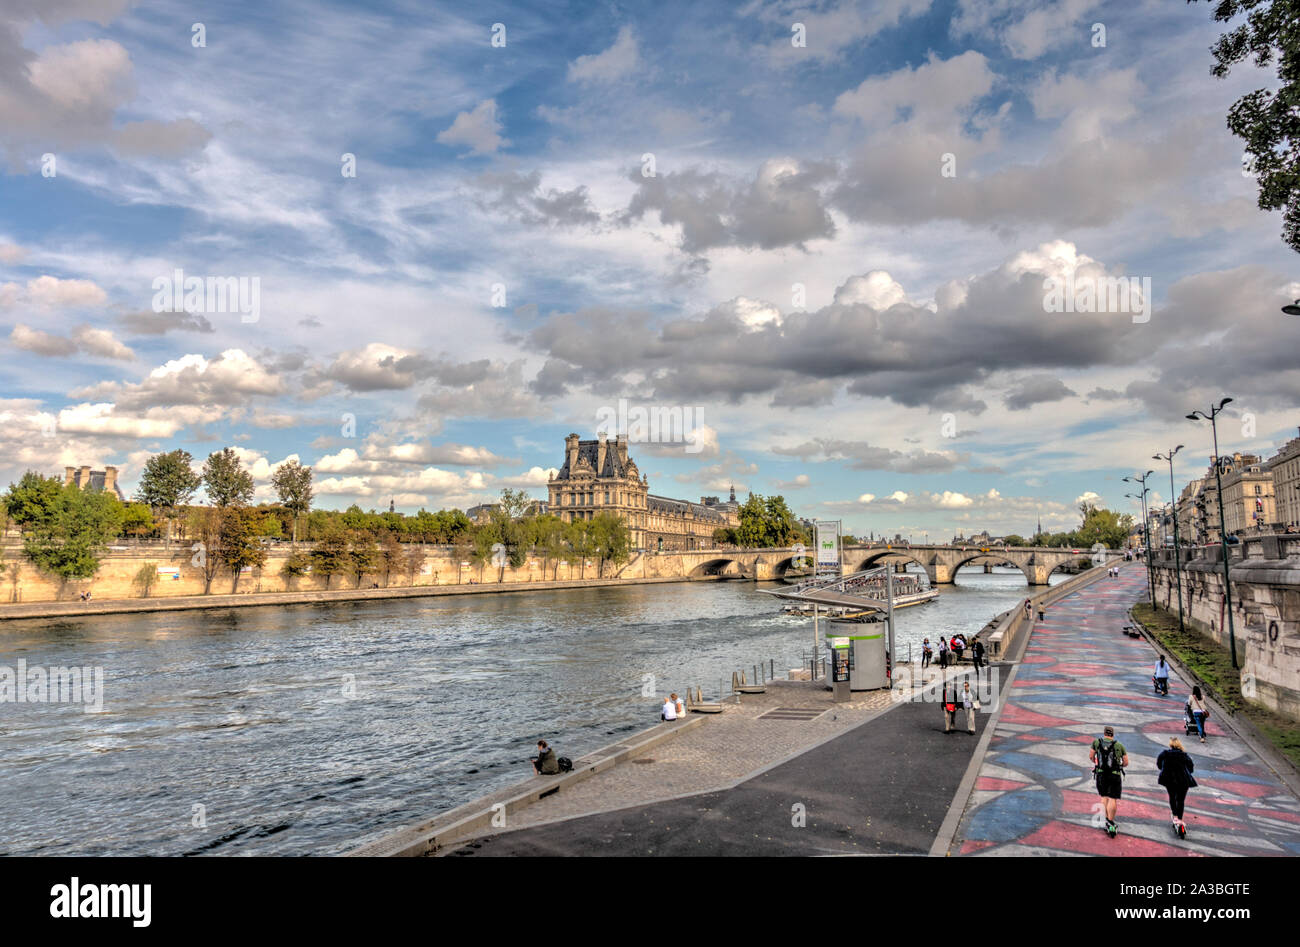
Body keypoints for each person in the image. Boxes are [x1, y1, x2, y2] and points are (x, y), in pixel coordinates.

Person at [1090, 725, 1129, 837]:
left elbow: (1091, 756)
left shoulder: (1096, 742)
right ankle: (1110, 821)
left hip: (1101, 774)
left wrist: (1097, 764)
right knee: (1112, 799)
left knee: (1104, 796)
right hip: (1114, 775)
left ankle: (1105, 818)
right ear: (1113, 734)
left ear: (1104, 734)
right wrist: (1119, 765)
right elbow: (1126, 762)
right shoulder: (1119, 745)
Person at [1156, 737, 1197, 838]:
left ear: (1170, 745)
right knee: (1181, 800)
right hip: (1184, 780)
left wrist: (1165, 769)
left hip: (1169, 779)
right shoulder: (1185, 755)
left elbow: (1159, 764)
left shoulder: (1165, 754)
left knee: (1172, 797)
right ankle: (1180, 818)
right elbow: (1191, 768)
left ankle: (1175, 816)